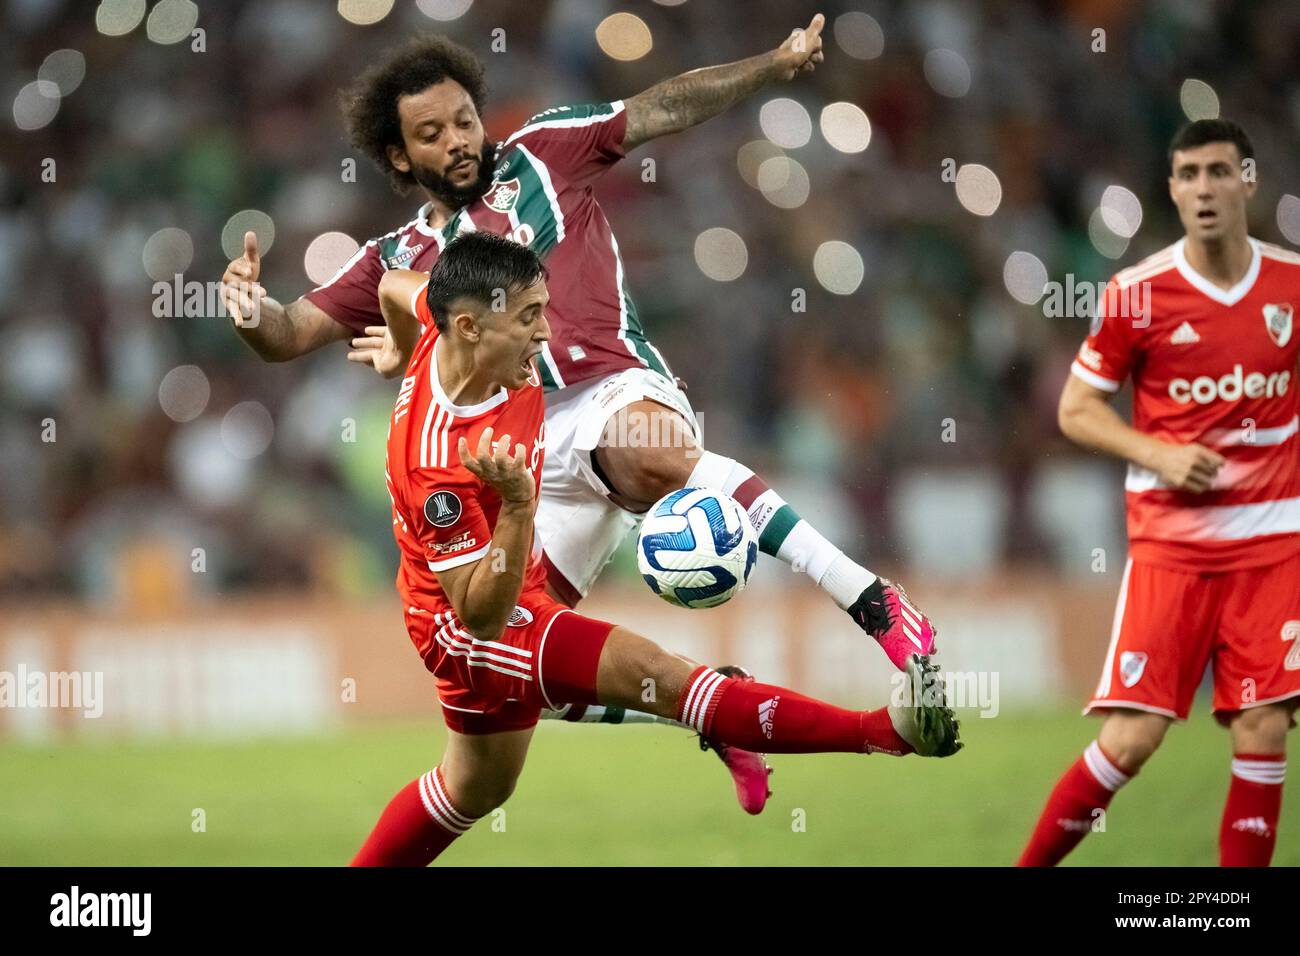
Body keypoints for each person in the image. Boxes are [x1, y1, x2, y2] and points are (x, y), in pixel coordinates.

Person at [222, 20, 936, 813]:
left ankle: (872, 599)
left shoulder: (543, 153)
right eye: (432, 134)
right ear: (399, 157)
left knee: (643, 455)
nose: (459, 141)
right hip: (519, 462)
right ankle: (712, 713)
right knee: (505, 686)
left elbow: (664, 106)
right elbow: (288, 334)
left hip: (608, 392)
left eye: (465, 119)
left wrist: (773, 64)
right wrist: (250, 309)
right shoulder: (395, 254)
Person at [348, 231, 959, 865]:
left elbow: (397, 285)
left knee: (472, 789)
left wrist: (397, 346)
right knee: (666, 679)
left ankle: (719, 716)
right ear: (472, 328)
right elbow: (479, 614)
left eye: (543, 311)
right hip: (474, 626)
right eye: (529, 318)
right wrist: (523, 506)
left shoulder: (444, 321)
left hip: (490, 589)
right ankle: (885, 733)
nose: (544, 336)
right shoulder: (439, 464)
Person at [1018, 119, 1300, 866]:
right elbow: (1075, 409)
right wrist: (1159, 455)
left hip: (1275, 545)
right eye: (1188, 175)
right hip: (1173, 548)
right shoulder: (1135, 295)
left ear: (1249, 180)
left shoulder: (1293, 287)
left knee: (1263, 727)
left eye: (1218, 171)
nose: (1204, 188)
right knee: (1132, 738)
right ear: (1173, 190)